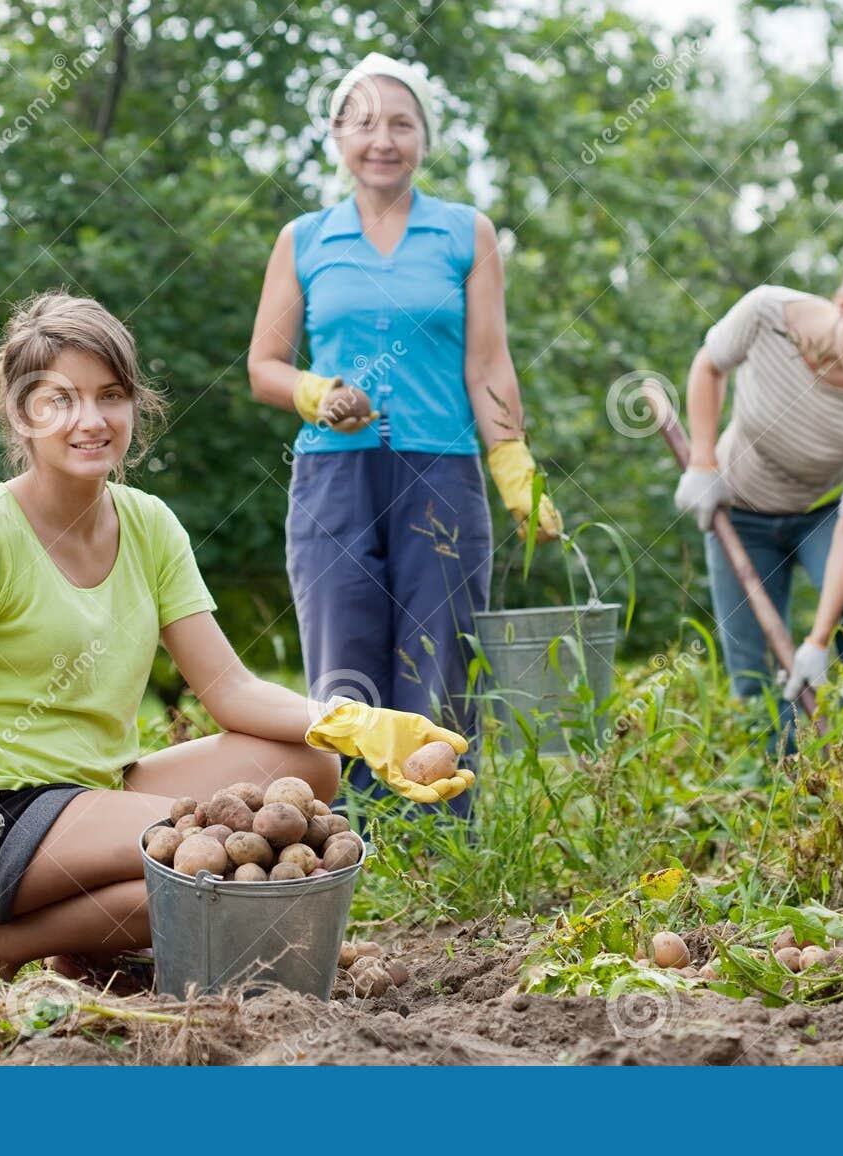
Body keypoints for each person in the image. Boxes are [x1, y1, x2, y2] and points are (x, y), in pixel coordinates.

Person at [0, 292, 470, 983]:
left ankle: (47, 938)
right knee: (202, 854)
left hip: (104, 785)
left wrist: (361, 725)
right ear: (20, 413)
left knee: (307, 771)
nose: (91, 419)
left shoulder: (151, 524)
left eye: (110, 395)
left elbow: (229, 689)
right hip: (0, 810)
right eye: (60, 399)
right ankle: (2, 939)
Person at [248, 53, 562, 814]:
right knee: (344, 663)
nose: (381, 139)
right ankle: (352, 838)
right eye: (363, 123)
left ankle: (442, 839)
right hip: (333, 477)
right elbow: (264, 366)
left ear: (425, 135)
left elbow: (488, 362)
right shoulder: (304, 238)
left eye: (401, 123)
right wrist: (317, 393)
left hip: (444, 472)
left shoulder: (465, 232)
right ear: (336, 135)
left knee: (440, 656)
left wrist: (513, 462)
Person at [673, 251, 843, 736]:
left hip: (827, 515)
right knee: (751, 674)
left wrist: (817, 640)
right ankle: (778, 784)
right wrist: (703, 462)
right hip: (741, 512)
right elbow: (709, 366)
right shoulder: (766, 313)